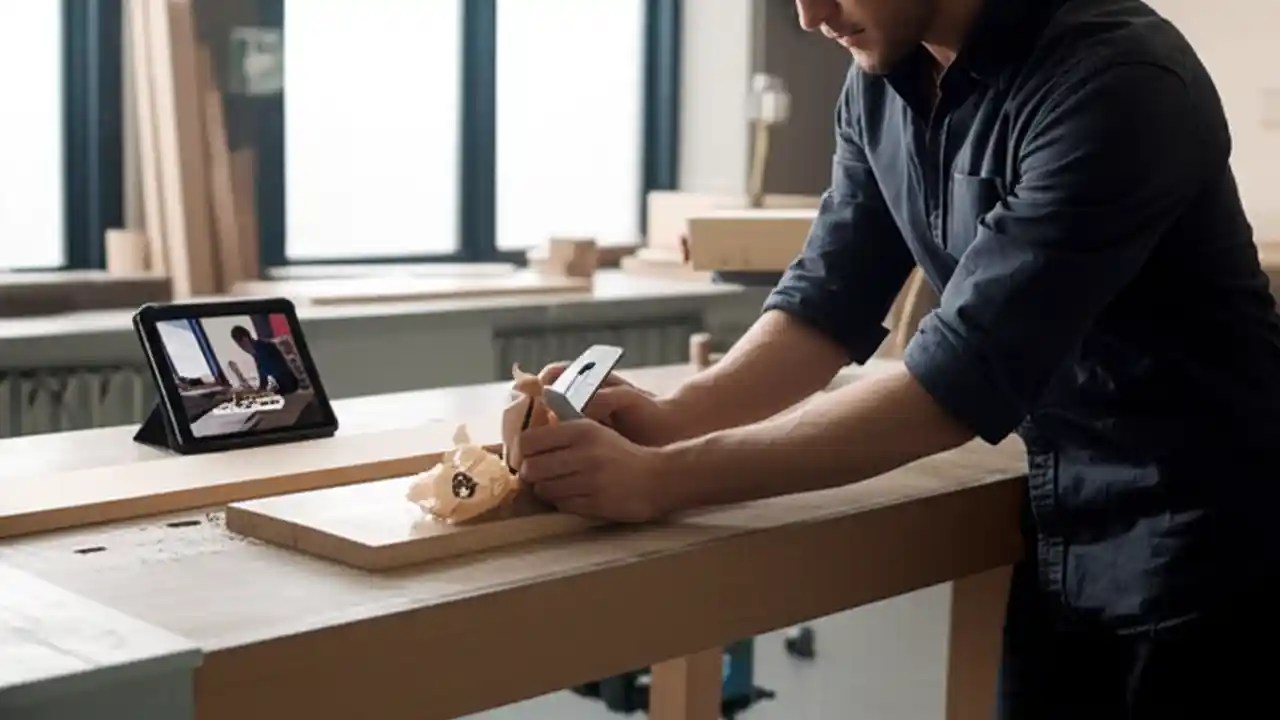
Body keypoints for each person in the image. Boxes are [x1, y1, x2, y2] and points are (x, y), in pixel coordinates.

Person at [517, 0, 1280, 717]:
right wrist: (670, 419)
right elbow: (828, 300)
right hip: (1063, 516)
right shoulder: (885, 75)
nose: (810, 16)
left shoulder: (1118, 83)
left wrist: (660, 481)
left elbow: (952, 385)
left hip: (1212, 538)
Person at [230, 325, 300, 395]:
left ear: (245, 339)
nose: (242, 348)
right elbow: (263, 376)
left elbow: (268, 371)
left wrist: (262, 389)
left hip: (289, 384)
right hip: (282, 383)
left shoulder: (264, 348)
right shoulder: (257, 351)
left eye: (241, 345)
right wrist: (260, 390)